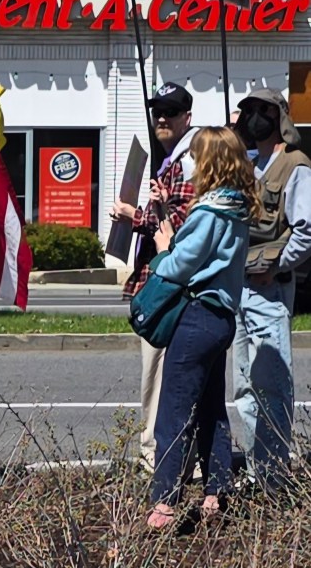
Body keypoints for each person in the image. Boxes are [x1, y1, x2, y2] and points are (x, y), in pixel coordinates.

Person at [146, 126, 259, 528]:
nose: (190, 164)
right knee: (211, 409)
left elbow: (180, 266)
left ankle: (164, 503)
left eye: (195, 156)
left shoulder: (209, 211)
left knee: (173, 411)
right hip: (223, 317)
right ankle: (216, 491)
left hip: (196, 316)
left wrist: (163, 250)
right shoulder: (237, 208)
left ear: (209, 162)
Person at [111, 82, 198, 467]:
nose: (161, 118)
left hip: (173, 290)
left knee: (163, 375)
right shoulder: (167, 161)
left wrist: (135, 216)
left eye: (171, 112)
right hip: (157, 284)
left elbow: (182, 221)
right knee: (155, 376)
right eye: (157, 111)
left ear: (187, 118)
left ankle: (162, 456)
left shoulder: (187, 161)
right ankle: (159, 451)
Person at [232, 89, 311, 493]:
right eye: (248, 111)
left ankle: (275, 479)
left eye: (264, 110)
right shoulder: (248, 164)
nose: (254, 117)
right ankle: (255, 470)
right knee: (244, 385)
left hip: (270, 289)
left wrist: (276, 266)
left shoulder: (295, 166)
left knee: (272, 383)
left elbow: (306, 230)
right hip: (239, 289)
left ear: (280, 116)